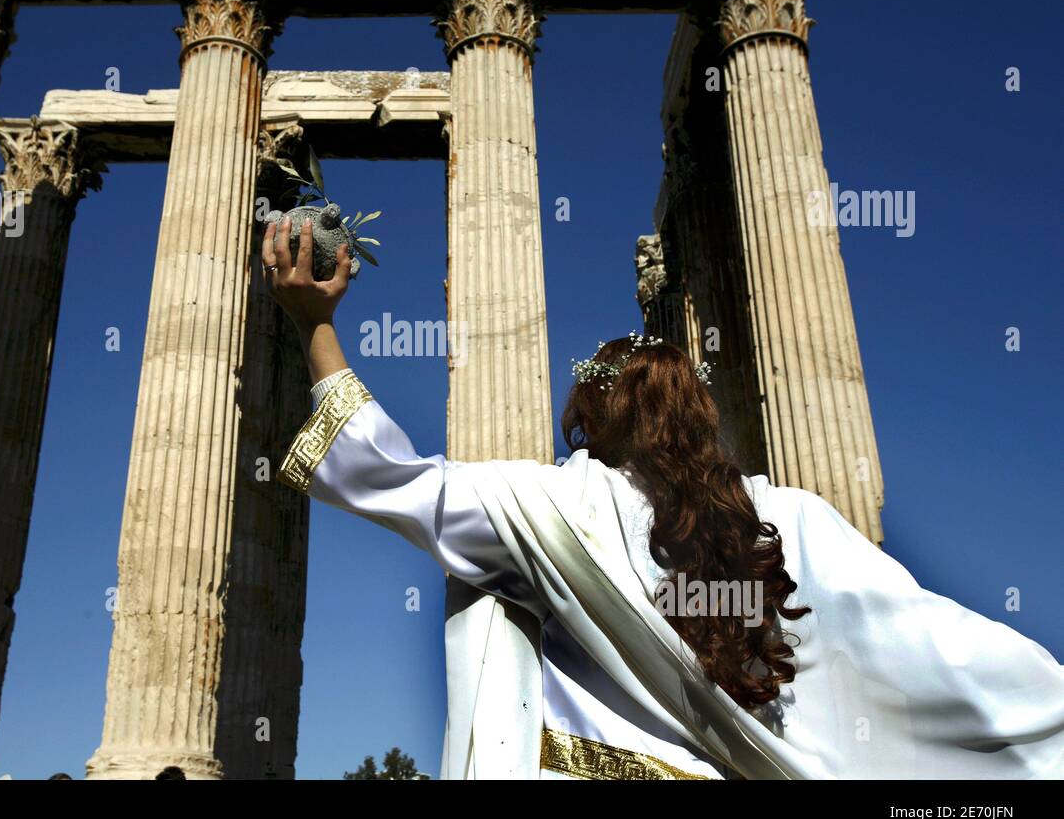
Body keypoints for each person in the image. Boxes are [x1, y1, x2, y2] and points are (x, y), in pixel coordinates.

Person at [262, 213, 1064, 780]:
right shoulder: (792, 524)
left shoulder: (553, 508)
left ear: (596, 424)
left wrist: (315, 326)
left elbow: (395, 481)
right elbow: (942, 649)